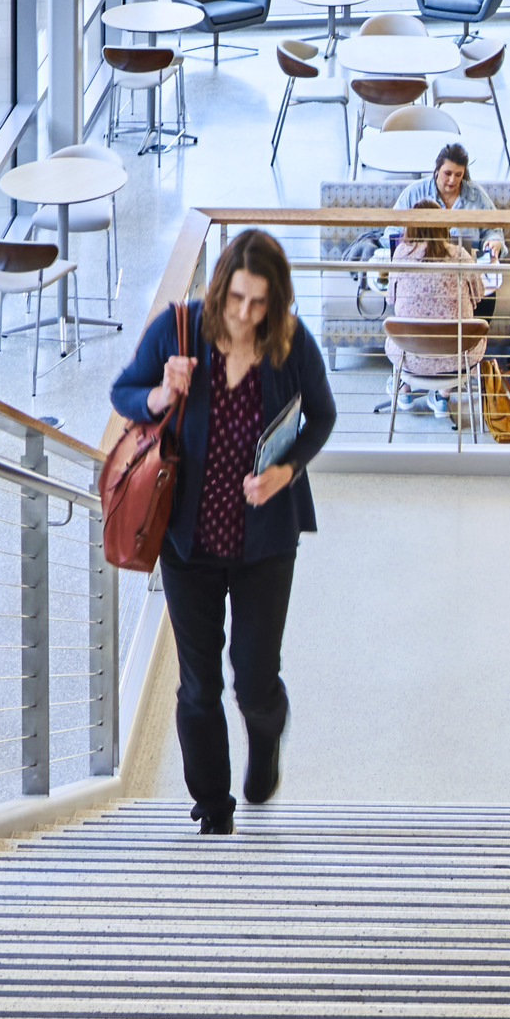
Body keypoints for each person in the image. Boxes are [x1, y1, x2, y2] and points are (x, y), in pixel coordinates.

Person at [114, 227, 337, 829]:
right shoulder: (179, 329)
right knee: (198, 684)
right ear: (219, 291)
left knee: (256, 680)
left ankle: (266, 737)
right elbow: (124, 391)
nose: (244, 314)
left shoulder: (290, 344)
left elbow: (323, 415)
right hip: (190, 544)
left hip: (265, 543)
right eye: (236, 298)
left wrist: (286, 472)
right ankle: (212, 807)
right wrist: (161, 394)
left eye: (259, 302)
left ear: (277, 301)